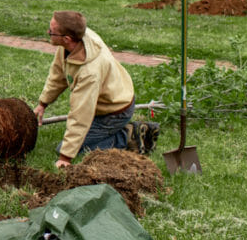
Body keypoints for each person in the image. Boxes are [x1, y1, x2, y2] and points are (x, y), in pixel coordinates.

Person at [32, 11, 157, 169]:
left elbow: (80, 115)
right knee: (73, 142)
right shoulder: (73, 41)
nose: (48, 33)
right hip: (112, 99)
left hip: (114, 112)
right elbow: (58, 74)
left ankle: (130, 136)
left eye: (51, 32)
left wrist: (65, 157)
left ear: (66, 38)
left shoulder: (89, 73)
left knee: (69, 148)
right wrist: (43, 103)